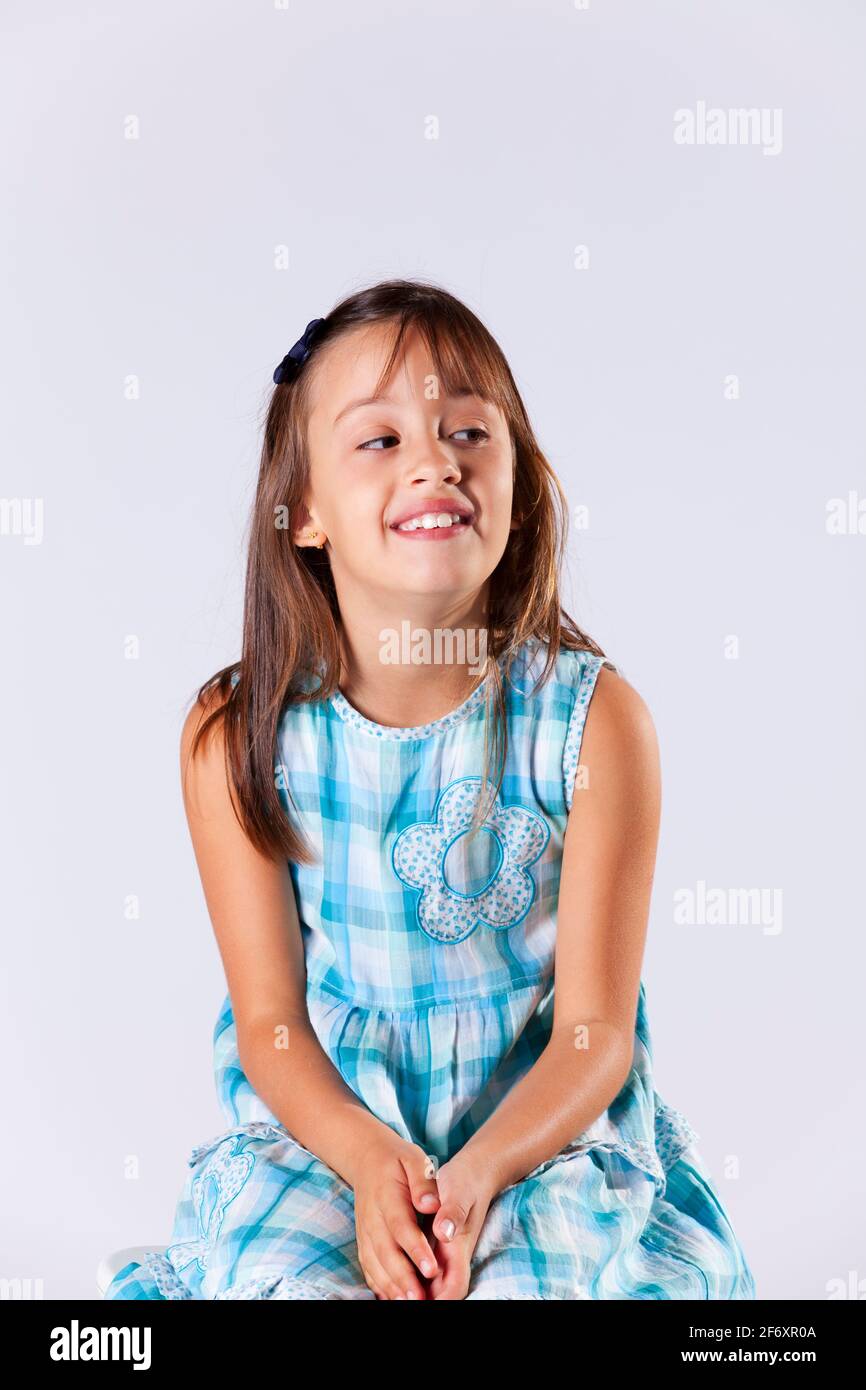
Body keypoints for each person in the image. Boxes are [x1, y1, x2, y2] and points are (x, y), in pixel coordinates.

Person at [105, 278, 756, 1300]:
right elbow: (270, 1021)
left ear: (518, 485)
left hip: (541, 1139)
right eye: (378, 439)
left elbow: (594, 1032)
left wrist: (476, 1176)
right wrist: (371, 1163)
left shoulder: (592, 725)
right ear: (305, 510)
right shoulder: (238, 737)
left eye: (467, 430)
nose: (434, 460)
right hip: (327, 1135)